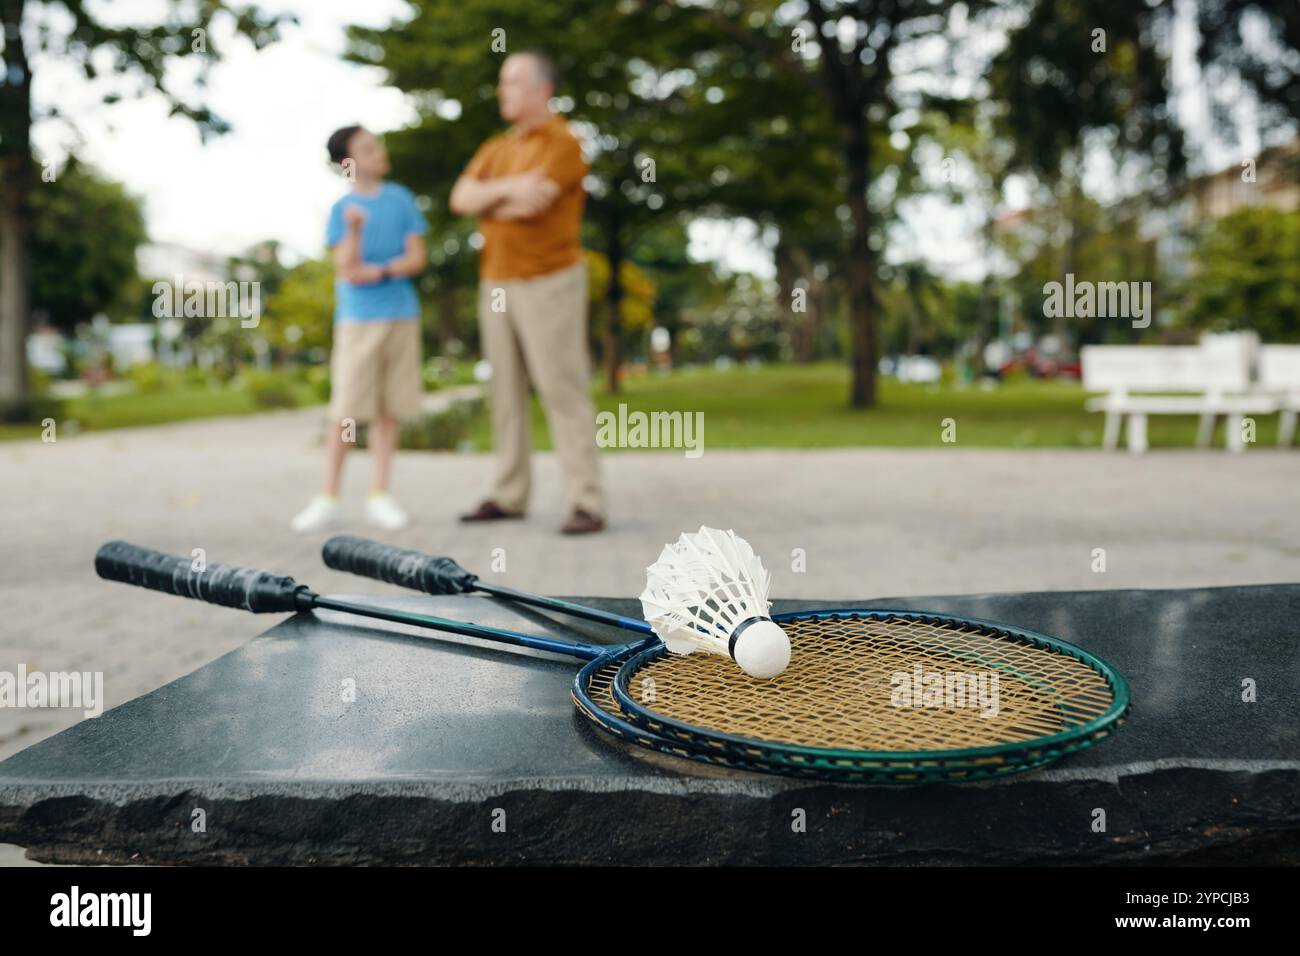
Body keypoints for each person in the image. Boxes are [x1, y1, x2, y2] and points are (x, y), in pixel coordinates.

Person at [449, 50, 606, 535]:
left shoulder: (564, 143)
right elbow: (460, 198)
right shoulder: (496, 147)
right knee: (504, 393)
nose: (503, 90)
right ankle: (509, 495)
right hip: (496, 280)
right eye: (502, 82)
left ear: (542, 90)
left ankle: (587, 501)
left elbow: (531, 209)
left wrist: (490, 197)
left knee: (562, 388)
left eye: (513, 82)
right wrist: (509, 188)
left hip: (549, 279)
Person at [291, 125, 428, 533]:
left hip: (401, 315)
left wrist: (382, 269)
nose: (378, 151)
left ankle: (379, 495)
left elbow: (416, 258)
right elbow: (346, 270)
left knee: (390, 410)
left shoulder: (402, 200)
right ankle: (329, 497)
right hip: (357, 321)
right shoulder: (341, 210)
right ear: (347, 163)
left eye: (376, 145)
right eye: (368, 148)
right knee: (347, 412)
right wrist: (354, 231)